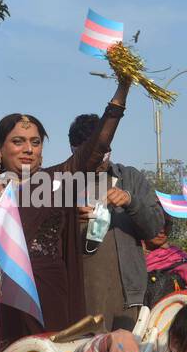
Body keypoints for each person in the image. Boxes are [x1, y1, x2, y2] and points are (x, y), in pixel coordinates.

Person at [0, 72, 134, 343]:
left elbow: (95, 148)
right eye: (18, 141)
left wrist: (122, 90)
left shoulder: (55, 182)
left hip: (50, 293)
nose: (28, 149)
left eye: (35, 142)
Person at [67, 113, 165, 332]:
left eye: (104, 152)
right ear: (75, 150)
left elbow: (155, 228)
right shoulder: (59, 184)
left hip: (126, 300)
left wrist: (131, 201)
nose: (100, 160)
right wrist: (67, 217)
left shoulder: (130, 178)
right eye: (91, 154)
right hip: (79, 302)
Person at [143, 210, 187, 306]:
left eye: (167, 224)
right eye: (157, 222)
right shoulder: (126, 253)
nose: (162, 230)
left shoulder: (176, 257)